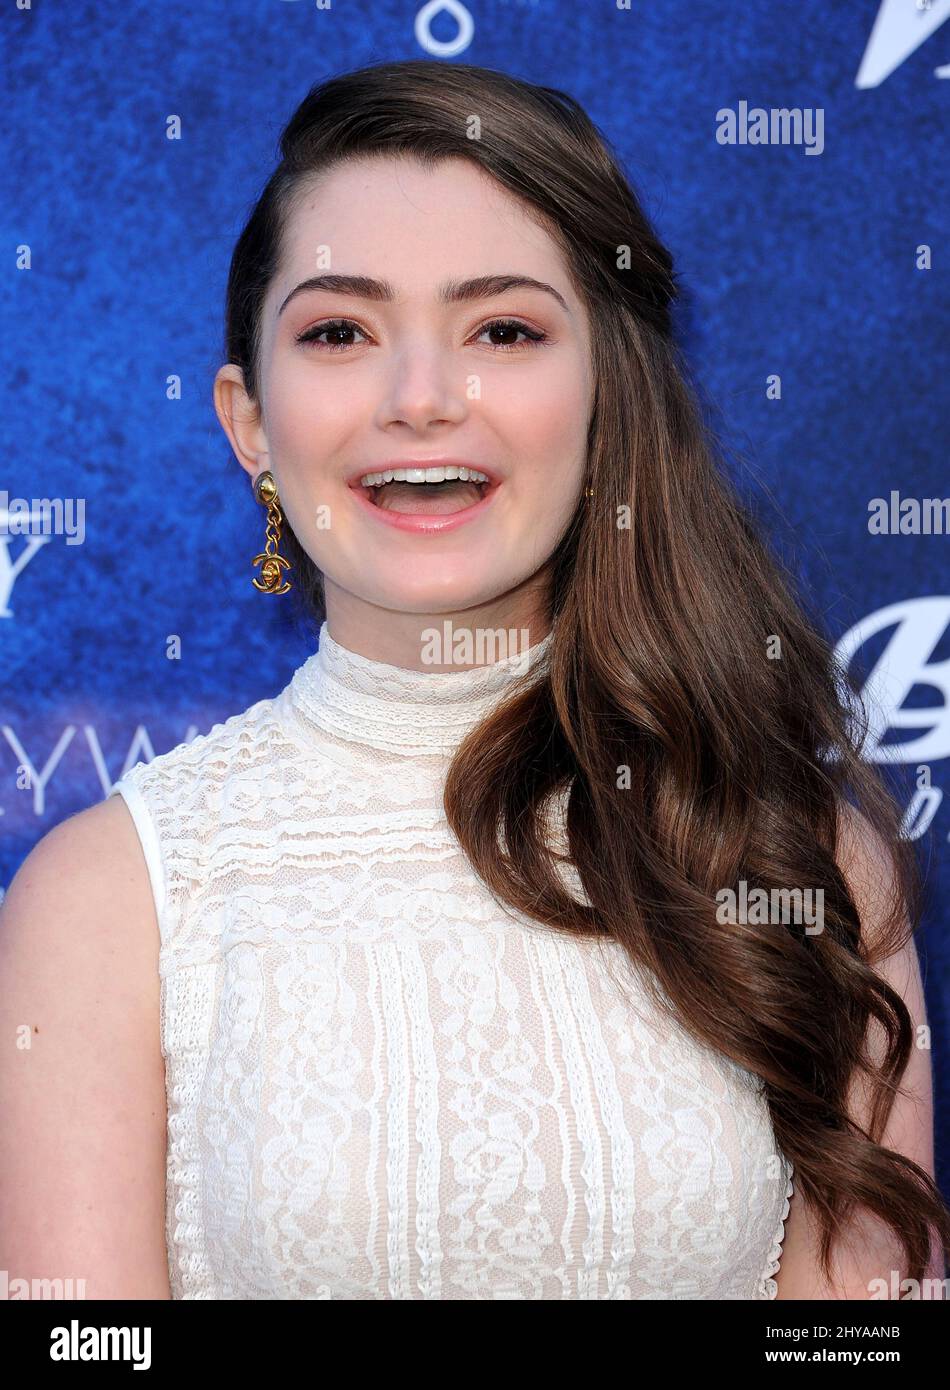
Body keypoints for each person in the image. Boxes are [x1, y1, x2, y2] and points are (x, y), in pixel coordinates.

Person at [1, 59, 946, 1301]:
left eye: (502, 329)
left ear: (607, 396)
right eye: (339, 331)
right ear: (247, 419)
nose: (420, 399)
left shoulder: (790, 858)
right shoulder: (107, 899)